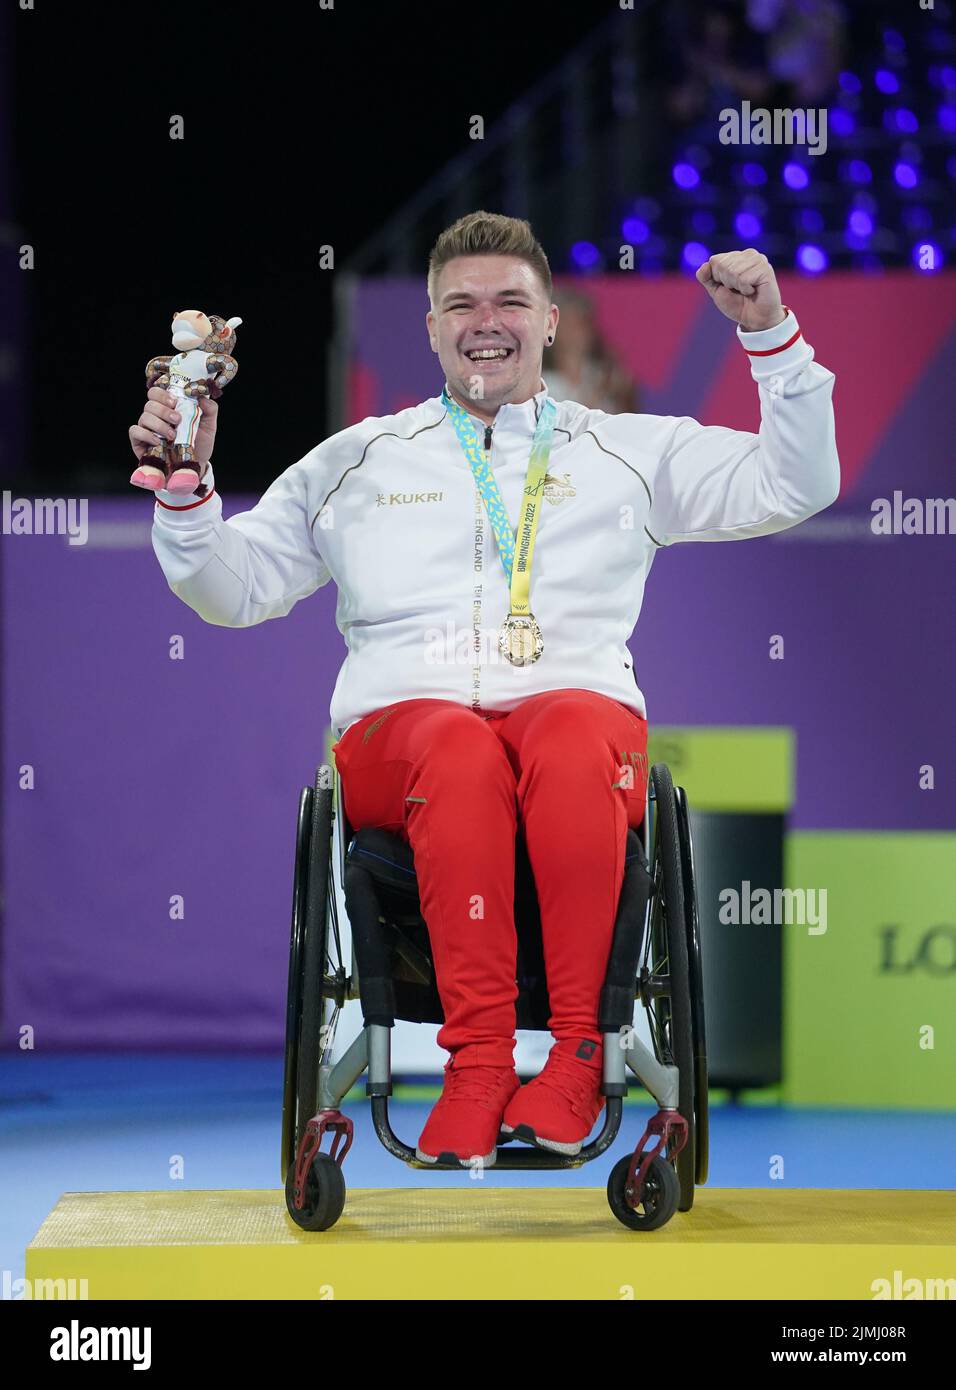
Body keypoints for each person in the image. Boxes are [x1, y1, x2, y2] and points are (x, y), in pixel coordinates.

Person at [132, 211, 840, 1169]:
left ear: (551, 321)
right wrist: (187, 494)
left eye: (512, 300)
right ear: (429, 327)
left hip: (577, 742)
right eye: (460, 304)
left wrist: (771, 337)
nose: (486, 321)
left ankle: (579, 1056)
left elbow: (795, 481)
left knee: (571, 727)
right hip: (401, 746)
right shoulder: (355, 462)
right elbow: (234, 588)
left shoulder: (626, 451)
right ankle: (477, 1064)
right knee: (455, 743)